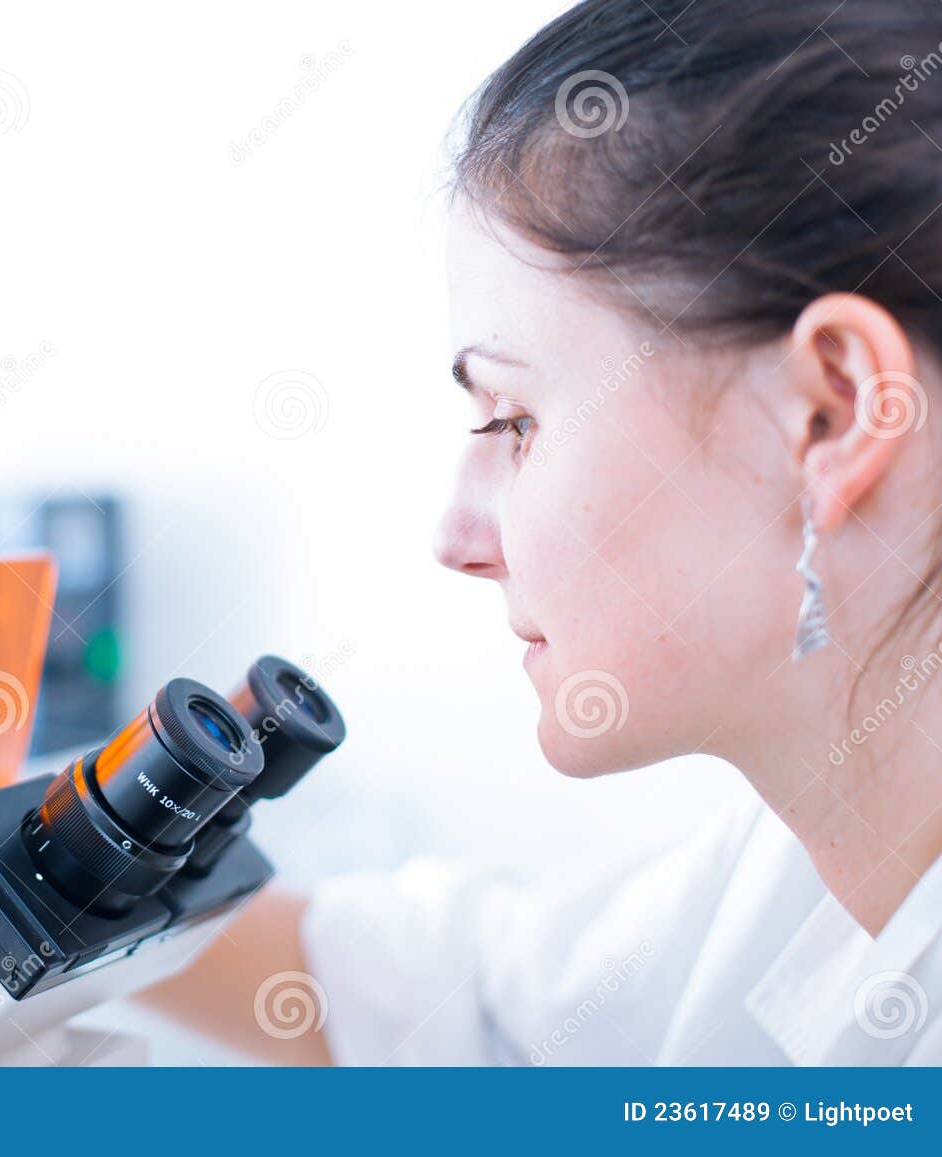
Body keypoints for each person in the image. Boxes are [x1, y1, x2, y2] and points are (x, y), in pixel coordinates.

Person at [145, 0, 942, 1065]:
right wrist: (45, 859)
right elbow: (457, 993)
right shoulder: (788, 879)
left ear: (828, 416)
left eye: (512, 422)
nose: (456, 537)